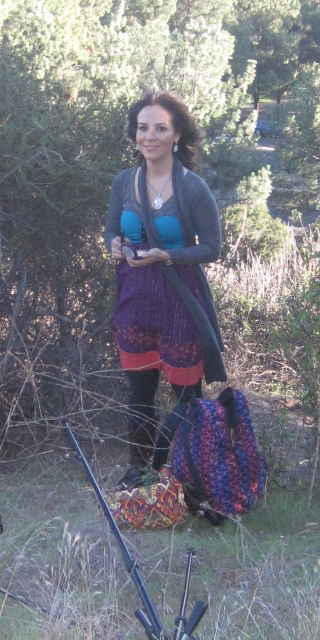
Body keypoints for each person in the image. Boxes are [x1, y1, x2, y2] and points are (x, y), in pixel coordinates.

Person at [104, 90, 226, 487]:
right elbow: (110, 231)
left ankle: (182, 473)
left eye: (160, 128)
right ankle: (137, 472)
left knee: (186, 398)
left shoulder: (193, 189)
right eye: (142, 128)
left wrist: (167, 256)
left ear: (177, 135)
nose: (149, 136)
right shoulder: (124, 182)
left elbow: (213, 247)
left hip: (179, 302)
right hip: (134, 300)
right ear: (133, 134)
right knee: (139, 394)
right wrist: (115, 246)